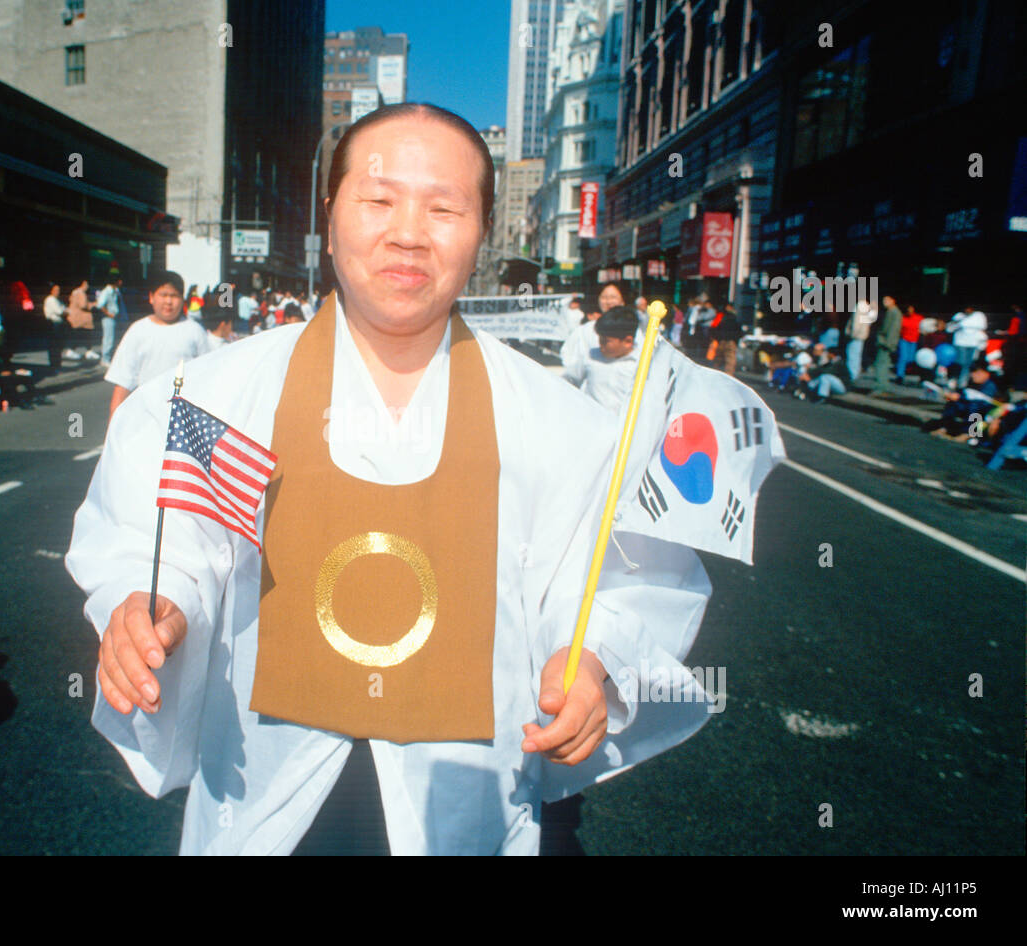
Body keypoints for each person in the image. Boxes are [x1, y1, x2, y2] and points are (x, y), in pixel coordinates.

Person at [66, 102, 713, 856]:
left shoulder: (560, 423)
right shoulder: (211, 397)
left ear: (480, 235)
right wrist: (153, 607)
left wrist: (591, 656)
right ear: (332, 215)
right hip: (268, 789)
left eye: (444, 207)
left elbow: (610, 575)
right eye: (378, 200)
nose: (409, 231)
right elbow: (162, 538)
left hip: (470, 791)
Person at [104, 271, 210, 422]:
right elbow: (122, 383)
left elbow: (208, 378)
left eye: (174, 296)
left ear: (182, 299)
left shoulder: (195, 331)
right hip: (144, 419)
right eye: (163, 295)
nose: (168, 301)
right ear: (151, 297)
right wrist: (112, 428)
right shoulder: (137, 331)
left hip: (184, 421)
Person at [562, 305, 642, 413]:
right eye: (599, 338)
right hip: (590, 422)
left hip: (623, 426)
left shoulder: (642, 365)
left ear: (627, 341)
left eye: (606, 341)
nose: (600, 344)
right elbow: (568, 380)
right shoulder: (591, 356)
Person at [945, 306, 988, 389]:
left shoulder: (979, 316)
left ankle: (962, 383)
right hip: (960, 343)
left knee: (967, 364)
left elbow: (982, 326)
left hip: (973, 344)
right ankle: (953, 379)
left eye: (970, 309)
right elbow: (949, 329)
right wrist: (959, 323)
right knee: (960, 362)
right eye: (967, 309)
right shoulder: (959, 316)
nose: (968, 310)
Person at [871, 295, 902, 391]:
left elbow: (893, 330)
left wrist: (887, 343)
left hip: (885, 343)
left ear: (893, 300)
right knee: (883, 363)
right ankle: (883, 385)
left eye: (887, 300)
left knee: (881, 364)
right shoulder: (890, 312)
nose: (885, 302)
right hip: (885, 342)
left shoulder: (894, 312)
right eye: (884, 300)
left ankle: (880, 386)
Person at [66, 279, 99, 362]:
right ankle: (71, 350)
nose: (88, 286)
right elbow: (83, 305)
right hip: (81, 318)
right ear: (83, 284)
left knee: (83, 335)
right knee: (82, 335)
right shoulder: (81, 293)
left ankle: (88, 351)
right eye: (87, 284)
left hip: (77, 317)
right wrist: (94, 304)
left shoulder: (75, 292)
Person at [708, 302, 742, 376]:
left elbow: (712, 328)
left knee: (717, 361)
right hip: (731, 342)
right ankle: (729, 377)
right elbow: (739, 331)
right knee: (730, 362)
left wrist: (716, 338)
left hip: (721, 341)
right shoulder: (735, 317)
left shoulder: (720, 316)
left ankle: (715, 376)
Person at [845, 299, 874, 382]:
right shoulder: (867, 307)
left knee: (852, 356)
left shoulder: (860, 306)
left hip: (855, 336)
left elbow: (856, 322)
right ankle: (855, 374)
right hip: (861, 335)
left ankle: (852, 376)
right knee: (857, 356)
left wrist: (852, 334)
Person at [97, 277, 123, 367]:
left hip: (114, 317)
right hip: (108, 318)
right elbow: (100, 305)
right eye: (119, 280)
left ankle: (109, 357)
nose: (121, 282)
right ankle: (105, 359)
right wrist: (108, 314)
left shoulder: (114, 291)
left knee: (112, 338)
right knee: (108, 339)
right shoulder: (106, 292)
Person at [43, 284, 67, 370]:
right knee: (54, 345)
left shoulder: (57, 300)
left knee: (59, 345)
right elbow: (60, 311)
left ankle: (57, 364)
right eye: (56, 290)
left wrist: (65, 310)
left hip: (59, 324)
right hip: (53, 324)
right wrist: (65, 311)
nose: (58, 292)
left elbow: (65, 308)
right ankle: (54, 365)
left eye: (59, 290)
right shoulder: (50, 299)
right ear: (51, 291)